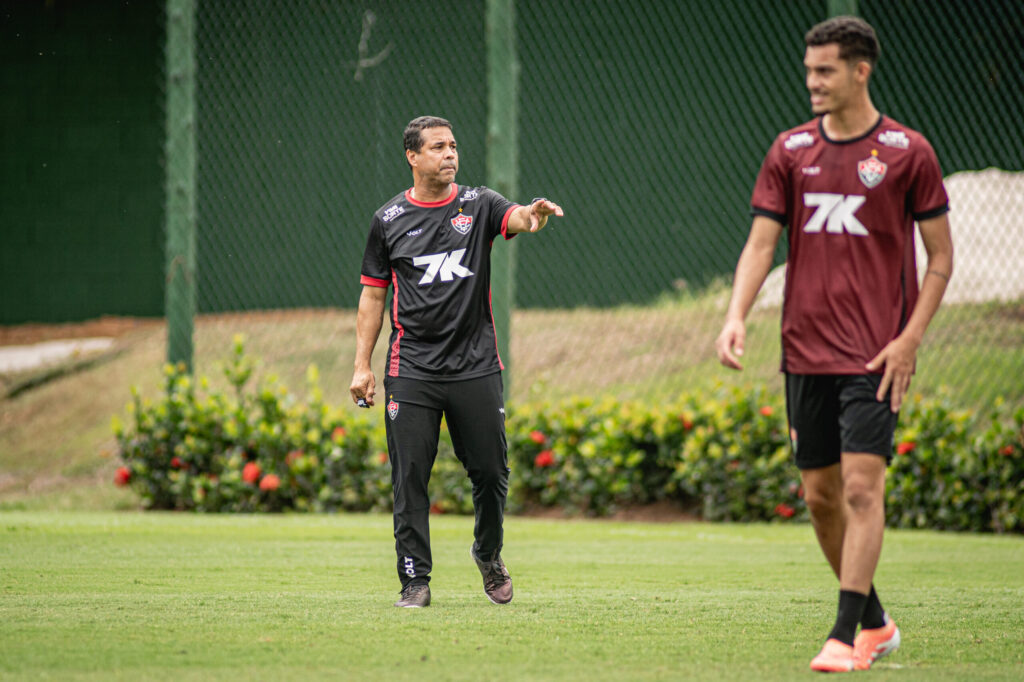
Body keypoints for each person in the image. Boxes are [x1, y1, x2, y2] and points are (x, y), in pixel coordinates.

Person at [714, 16, 954, 673]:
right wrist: (736, 315)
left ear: (860, 71)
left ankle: (845, 635)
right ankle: (876, 622)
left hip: (877, 355)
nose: (813, 82)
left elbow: (940, 258)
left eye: (825, 71)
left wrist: (909, 339)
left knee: (860, 489)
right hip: (804, 351)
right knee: (820, 498)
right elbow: (761, 244)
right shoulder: (790, 150)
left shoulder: (908, 152)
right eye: (809, 70)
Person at [349, 115, 563, 608]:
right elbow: (373, 296)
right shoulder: (387, 220)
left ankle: (488, 553)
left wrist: (534, 214)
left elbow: (518, 218)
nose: (450, 154)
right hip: (412, 369)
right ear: (412, 156)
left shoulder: (479, 203)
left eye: (453, 146)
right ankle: (414, 581)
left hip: (475, 365)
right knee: (409, 479)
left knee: (491, 472)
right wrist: (362, 365)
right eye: (438, 147)